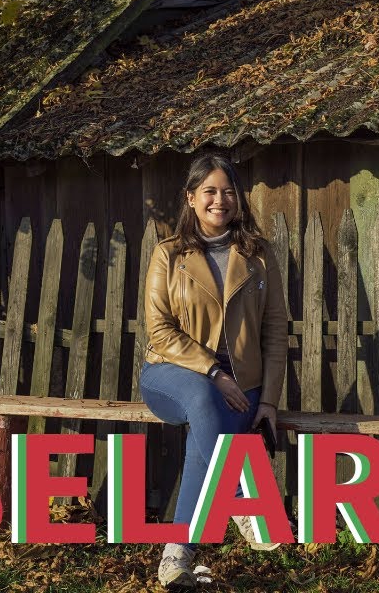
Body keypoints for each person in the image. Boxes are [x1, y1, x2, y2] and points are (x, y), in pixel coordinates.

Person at [138, 151, 289, 589]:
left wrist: (270, 401)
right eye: (209, 191)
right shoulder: (169, 255)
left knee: (205, 437)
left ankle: (176, 556)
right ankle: (240, 496)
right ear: (190, 198)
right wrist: (212, 371)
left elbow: (275, 331)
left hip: (243, 384)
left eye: (228, 192)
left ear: (238, 199)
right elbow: (159, 330)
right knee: (205, 398)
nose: (219, 200)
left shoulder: (259, 256)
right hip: (169, 372)